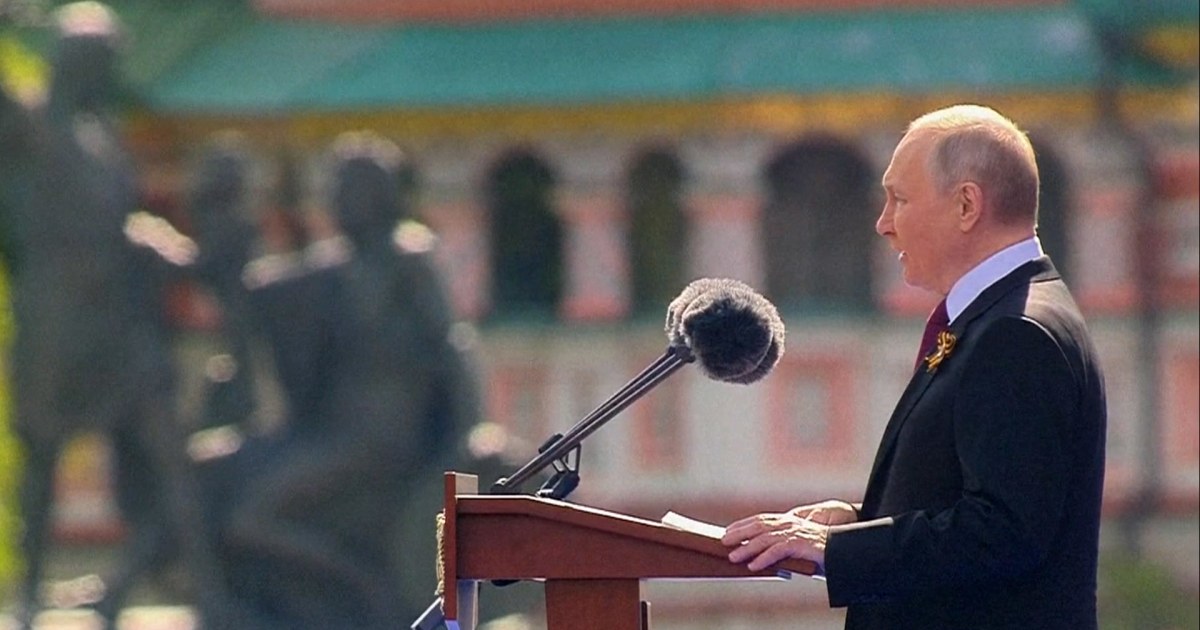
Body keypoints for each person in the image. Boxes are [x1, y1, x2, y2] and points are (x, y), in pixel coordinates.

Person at [722, 104, 1107, 629]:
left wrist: (837, 550)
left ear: (967, 204)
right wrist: (858, 523)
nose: (883, 224)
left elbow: (1003, 532)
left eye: (900, 200)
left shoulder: (1016, 332)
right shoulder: (991, 318)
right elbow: (963, 502)